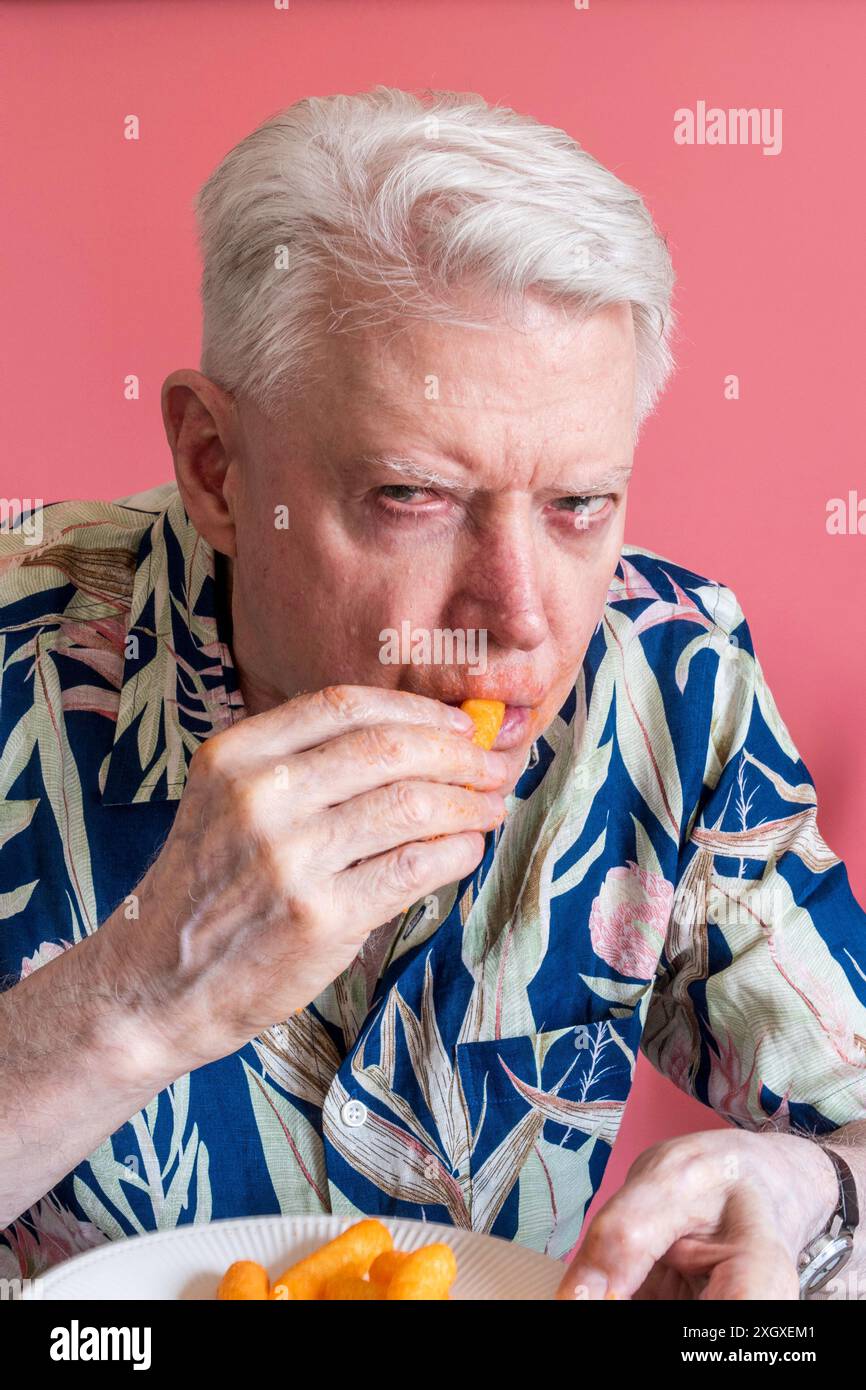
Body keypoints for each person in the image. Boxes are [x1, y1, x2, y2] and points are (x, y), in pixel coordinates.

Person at [1, 87, 864, 1301]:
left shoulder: (671, 676)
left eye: (577, 506)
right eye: (412, 496)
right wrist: (138, 996)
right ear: (214, 465)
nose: (517, 616)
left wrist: (803, 1195)